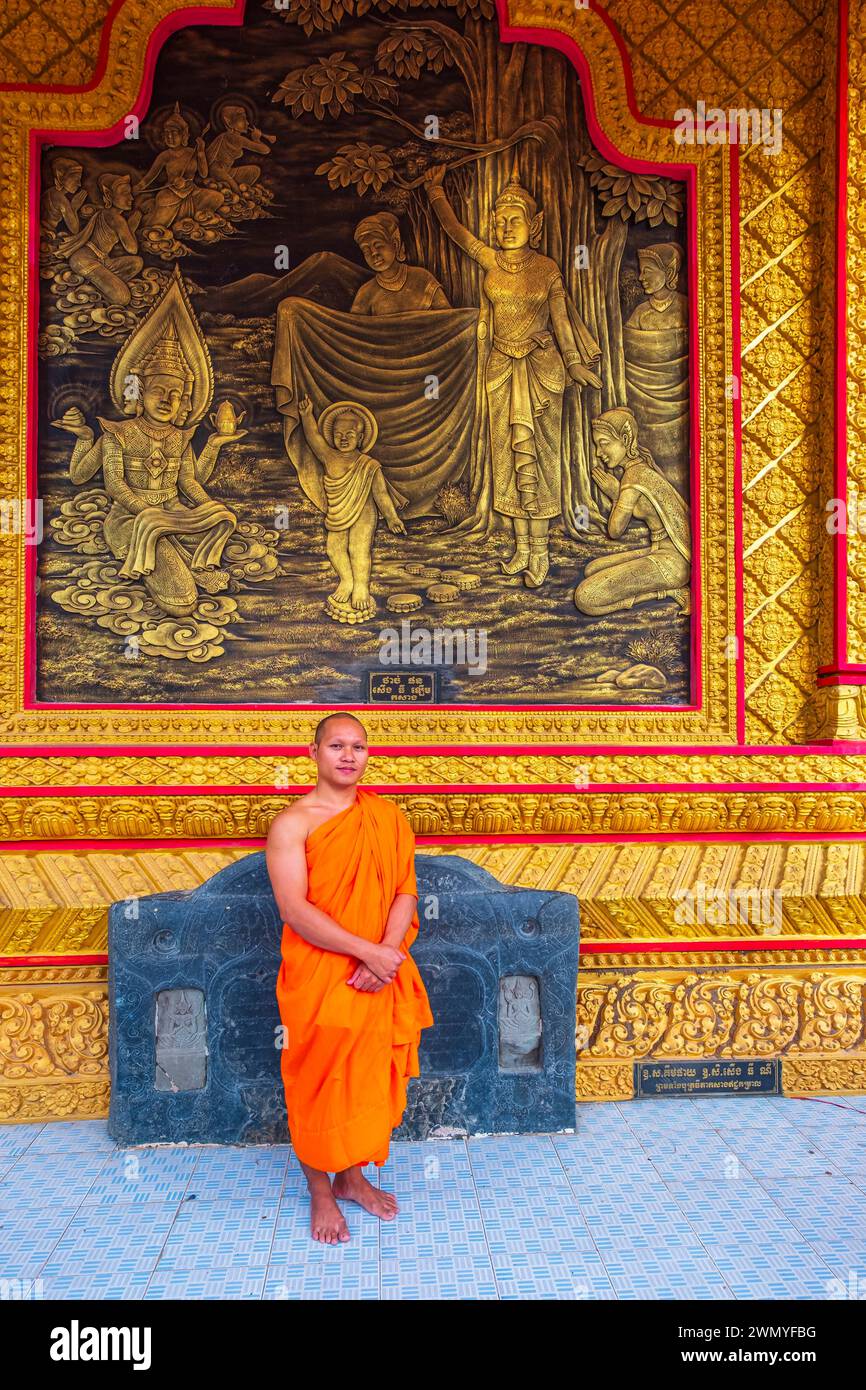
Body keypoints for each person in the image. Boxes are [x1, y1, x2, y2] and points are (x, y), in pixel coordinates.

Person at [266, 713, 435, 1244]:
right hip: (320, 973)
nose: (348, 755)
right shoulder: (293, 823)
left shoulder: (387, 817)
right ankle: (320, 1190)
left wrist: (385, 954)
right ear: (312, 752)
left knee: (365, 1077)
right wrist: (366, 951)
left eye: (358, 746)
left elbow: (405, 891)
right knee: (318, 1078)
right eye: (336, 745)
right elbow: (294, 909)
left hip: (379, 971)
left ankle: (352, 1178)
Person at [425, 159, 601, 585]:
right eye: (499, 220)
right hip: (500, 368)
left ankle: (541, 552)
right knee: (507, 459)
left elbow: (560, 321)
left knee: (538, 460)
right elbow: (457, 235)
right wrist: (435, 194)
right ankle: (520, 549)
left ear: (534, 225)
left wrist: (575, 363)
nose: (506, 227)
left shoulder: (547, 269)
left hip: (541, 371)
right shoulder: (490, 262)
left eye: (515, 219)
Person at [297, 395, 407, 623]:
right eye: (338, 434)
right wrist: (307, 416)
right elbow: (313, 438)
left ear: (361, 437)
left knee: (359, 550)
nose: (344, 438)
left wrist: (392, 517)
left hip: (364, 513)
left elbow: (381, 494)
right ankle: (346, 580)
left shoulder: (369, 464)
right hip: (338, 512)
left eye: (349, 434)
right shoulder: (328, 456)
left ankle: (360, 588)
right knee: (334, 550)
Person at [573, 406, 691, 615]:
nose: (599, 453)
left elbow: (615, 531)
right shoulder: (641, 468)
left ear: (626, 439)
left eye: (604, 444)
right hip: (661, 551)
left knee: (585, 598)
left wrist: (616, 494)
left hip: (672, 565)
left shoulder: (634, 476)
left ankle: (670, 593)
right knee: (591, 569)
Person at [351, 212, 449, 315]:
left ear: (395, 244)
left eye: (379, 245)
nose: (374, 253)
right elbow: (354, 328)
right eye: (366, 250)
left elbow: (449, 319)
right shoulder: (365, 293)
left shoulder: (422, 278)